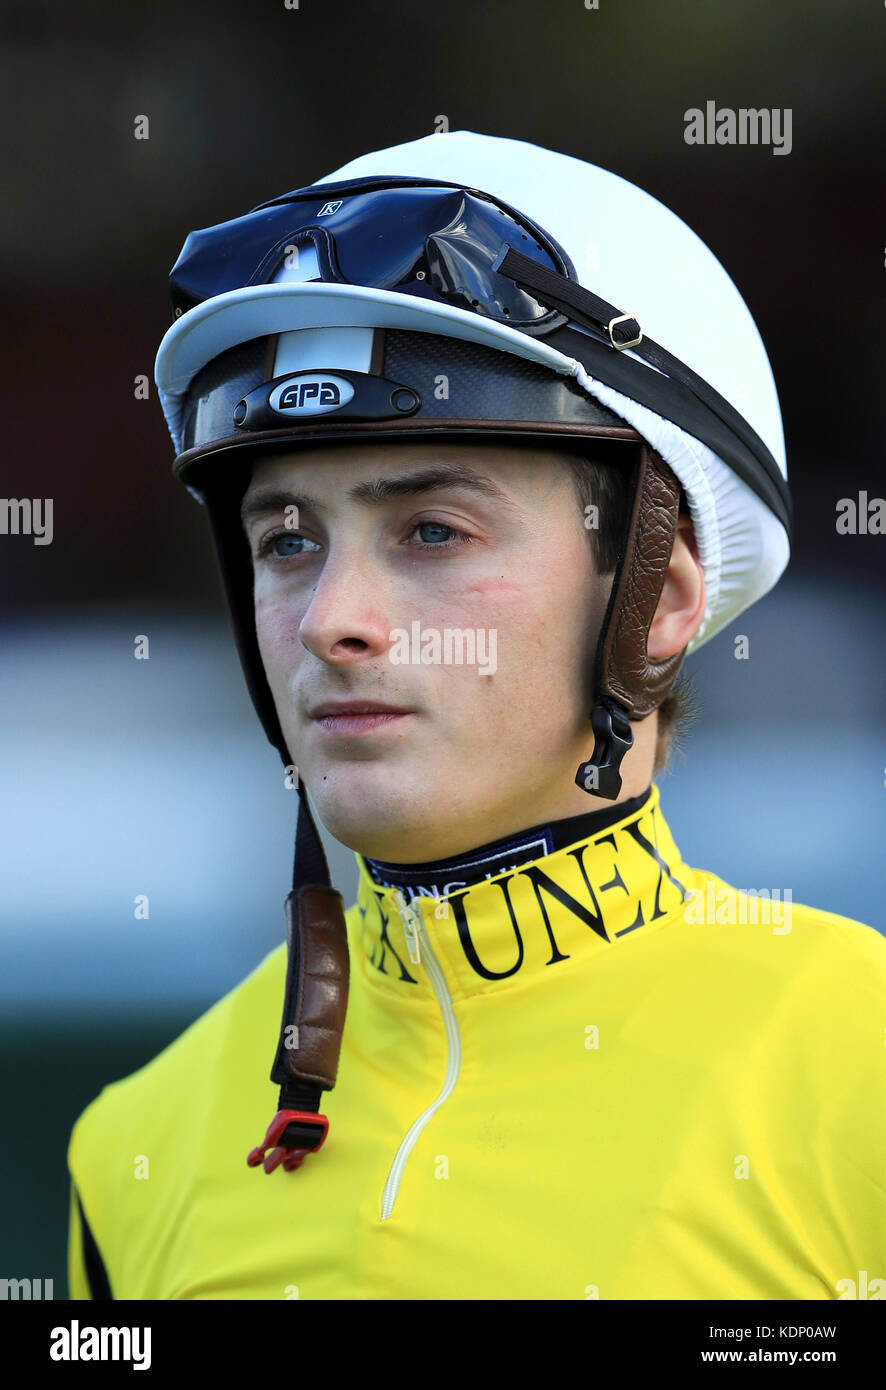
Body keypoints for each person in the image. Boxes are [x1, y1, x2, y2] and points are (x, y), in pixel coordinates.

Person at [67, 131, 886, 1301]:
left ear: (658, 595)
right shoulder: (128, 1148)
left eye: (433, 531)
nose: (331, 620)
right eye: (287, 540)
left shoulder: (864, 1070)